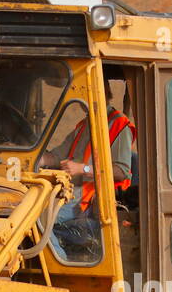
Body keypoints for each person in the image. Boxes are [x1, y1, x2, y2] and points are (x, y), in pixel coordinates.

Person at [41, 71, 137, 262]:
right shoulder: (84, 125)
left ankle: (61, 263)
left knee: (39, 218)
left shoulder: (119, 126)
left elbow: (122, 171)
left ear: (99, 92)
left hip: (90, 202)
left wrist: (82, 169)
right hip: (68, 195)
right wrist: (36, 160)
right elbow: (57, 156)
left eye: (83, 90)